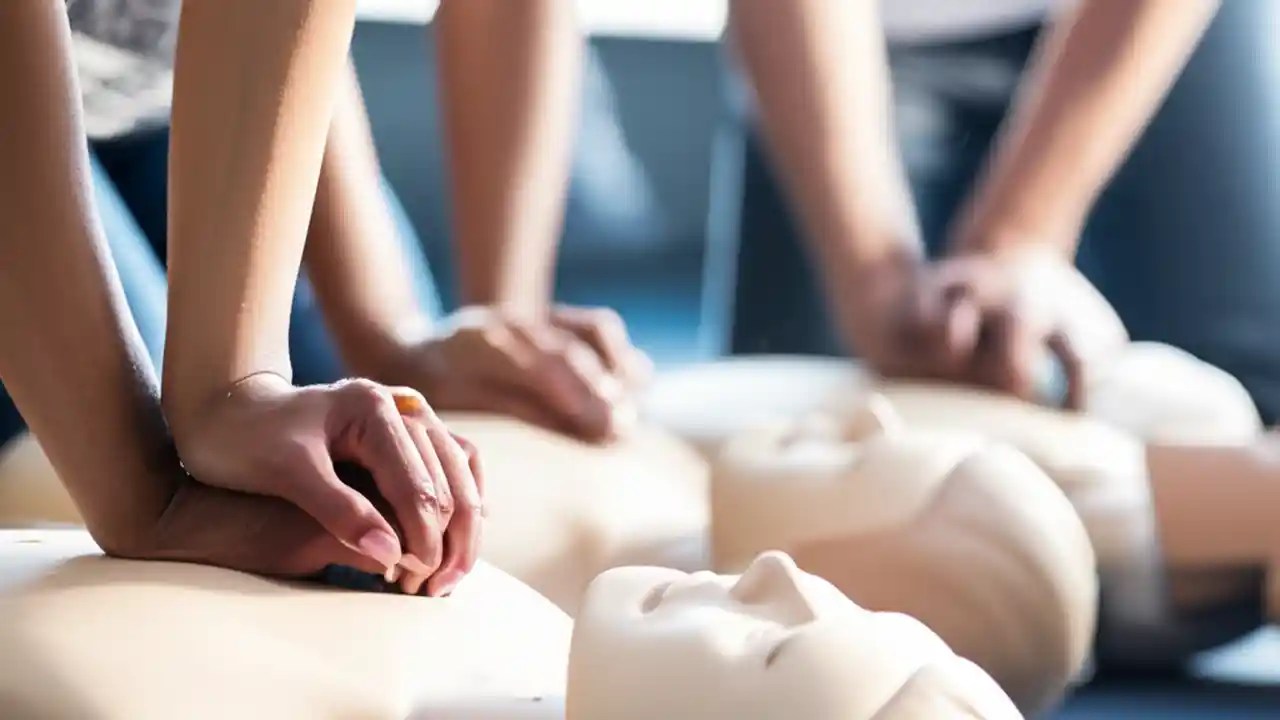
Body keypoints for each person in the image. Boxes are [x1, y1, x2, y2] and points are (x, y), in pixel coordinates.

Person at [445, 0, 1234, 412]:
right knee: (794, 444)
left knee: (1238, 401)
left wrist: (1018, 235)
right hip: (850, 38)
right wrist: (869, 281)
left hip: (1136, 23)